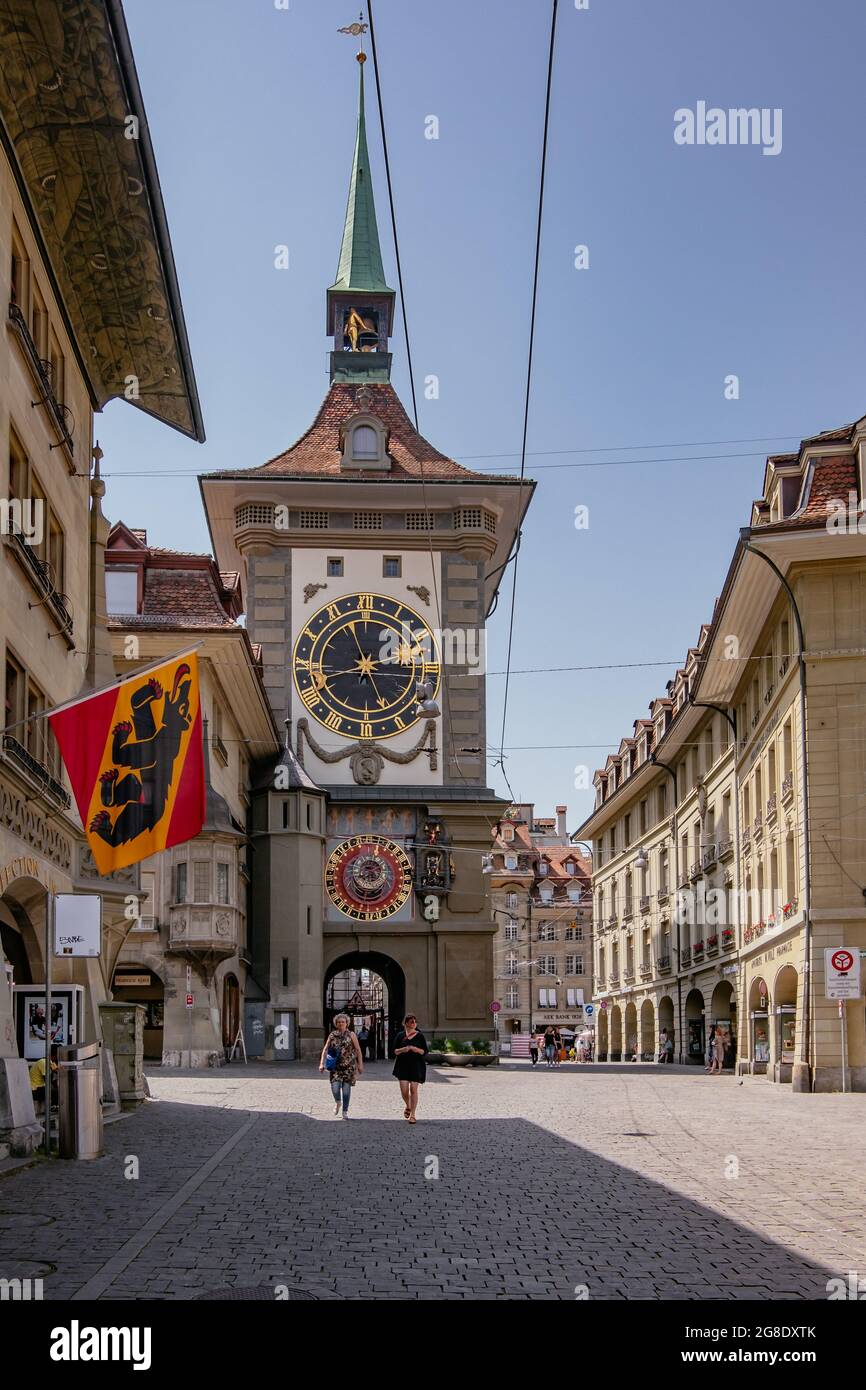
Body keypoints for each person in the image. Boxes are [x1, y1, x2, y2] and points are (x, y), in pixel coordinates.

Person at [319, 1013, 363, 1119]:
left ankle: (345, 1111)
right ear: (336, 1024)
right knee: (335, 1088)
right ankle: (338, 1102)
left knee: (346, 1090)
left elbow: (358, 1050)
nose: (341, 1024)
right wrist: (321, 1063)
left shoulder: (351, 1035)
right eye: (339, 1022)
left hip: (349, 1066)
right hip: (335, 1067)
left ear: (347, 1023)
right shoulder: (332, 1035)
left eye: (343, 1022)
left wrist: (360, 1064)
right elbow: (325, 1049)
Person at [392, 1013, 428, 1122]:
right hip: (402, 1065)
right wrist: (403, 1049)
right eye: (411, 1021)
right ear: (406, 1023)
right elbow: (395, 1051)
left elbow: (425, 1051)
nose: (414, 1023)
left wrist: (416, 1049)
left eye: (415, 1021)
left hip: (416, 1065)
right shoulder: (400, 1035)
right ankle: (407, 1105)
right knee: (404, 1090)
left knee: (413, 1089)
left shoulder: (420, 1035)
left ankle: (413, 1115)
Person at [29, 1046, 58, 1114]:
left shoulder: (50, 1062)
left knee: (58, 1088)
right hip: (35, 1090)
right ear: (56, 1055)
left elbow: (58, 1071)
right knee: (57, 1092)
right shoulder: (43, 1062)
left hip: (41, 1087)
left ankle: (54, 1106)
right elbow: (47, 1080)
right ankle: (52, 1107)